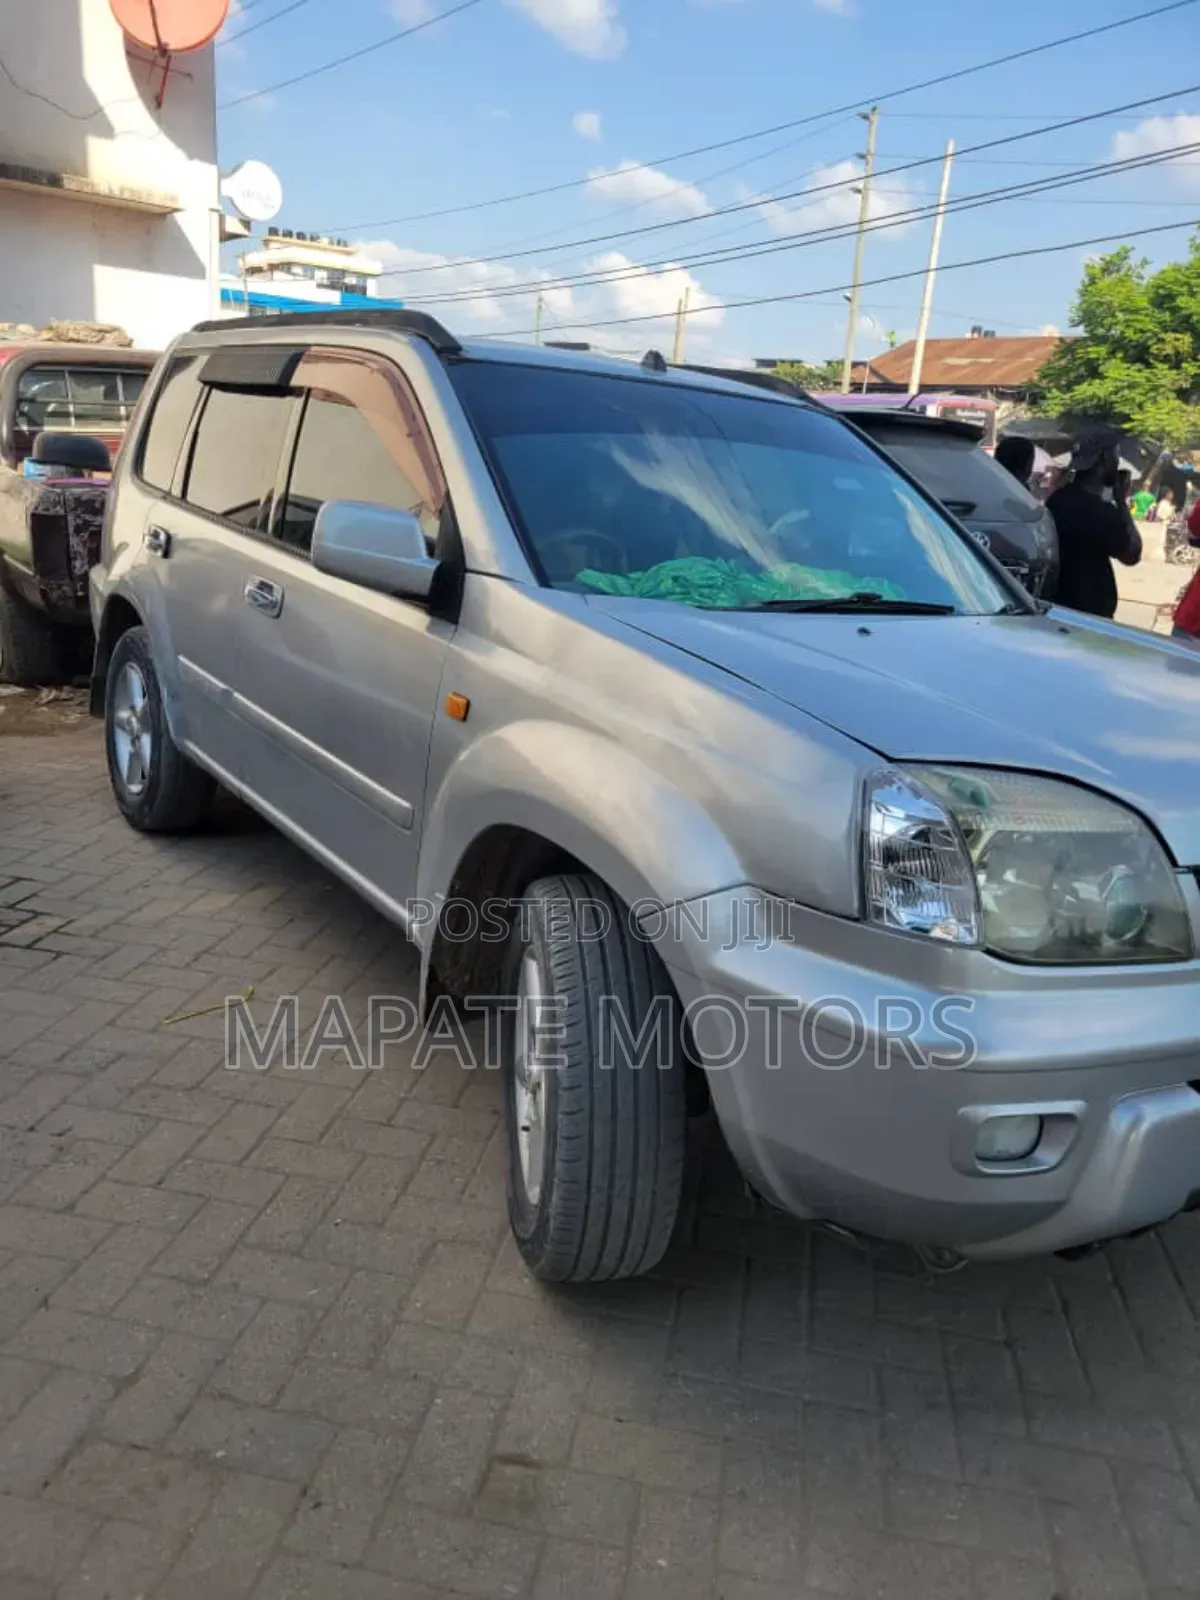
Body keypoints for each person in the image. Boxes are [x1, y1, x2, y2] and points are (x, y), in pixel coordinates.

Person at [1045, 427, 1142, 618]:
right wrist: (1122, 502)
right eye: (1115, 455)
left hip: (1057, 604)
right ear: (1104, 459)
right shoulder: (1103, 513)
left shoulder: (1057, 500)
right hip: (1090, 614)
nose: (1116, 463)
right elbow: (1132, 554)